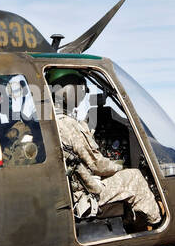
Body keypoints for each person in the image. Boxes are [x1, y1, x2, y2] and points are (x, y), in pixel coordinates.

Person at [47, 69, 162, 227]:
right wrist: (119, 166)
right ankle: (157, 224)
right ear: (70, 91)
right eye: (81, 89)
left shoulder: (49, 122)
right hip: (85, 194)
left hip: (68, 191)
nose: (83, 94)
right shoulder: (68, 124)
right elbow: (97, 165)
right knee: (134, 176)